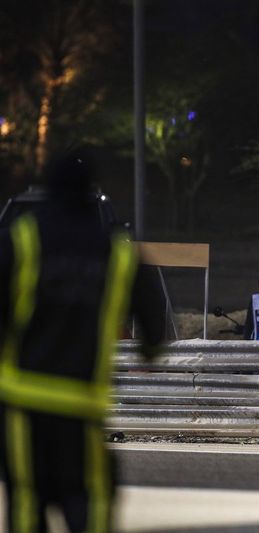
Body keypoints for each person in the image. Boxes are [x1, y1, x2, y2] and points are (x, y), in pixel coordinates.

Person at [0, 149, 165, 533]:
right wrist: (149, 352)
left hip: (23, 399)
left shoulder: (21, 240)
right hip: (82, 402)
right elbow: (153, 319)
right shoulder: (117, 250)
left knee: (26, 499)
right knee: (88, 500)